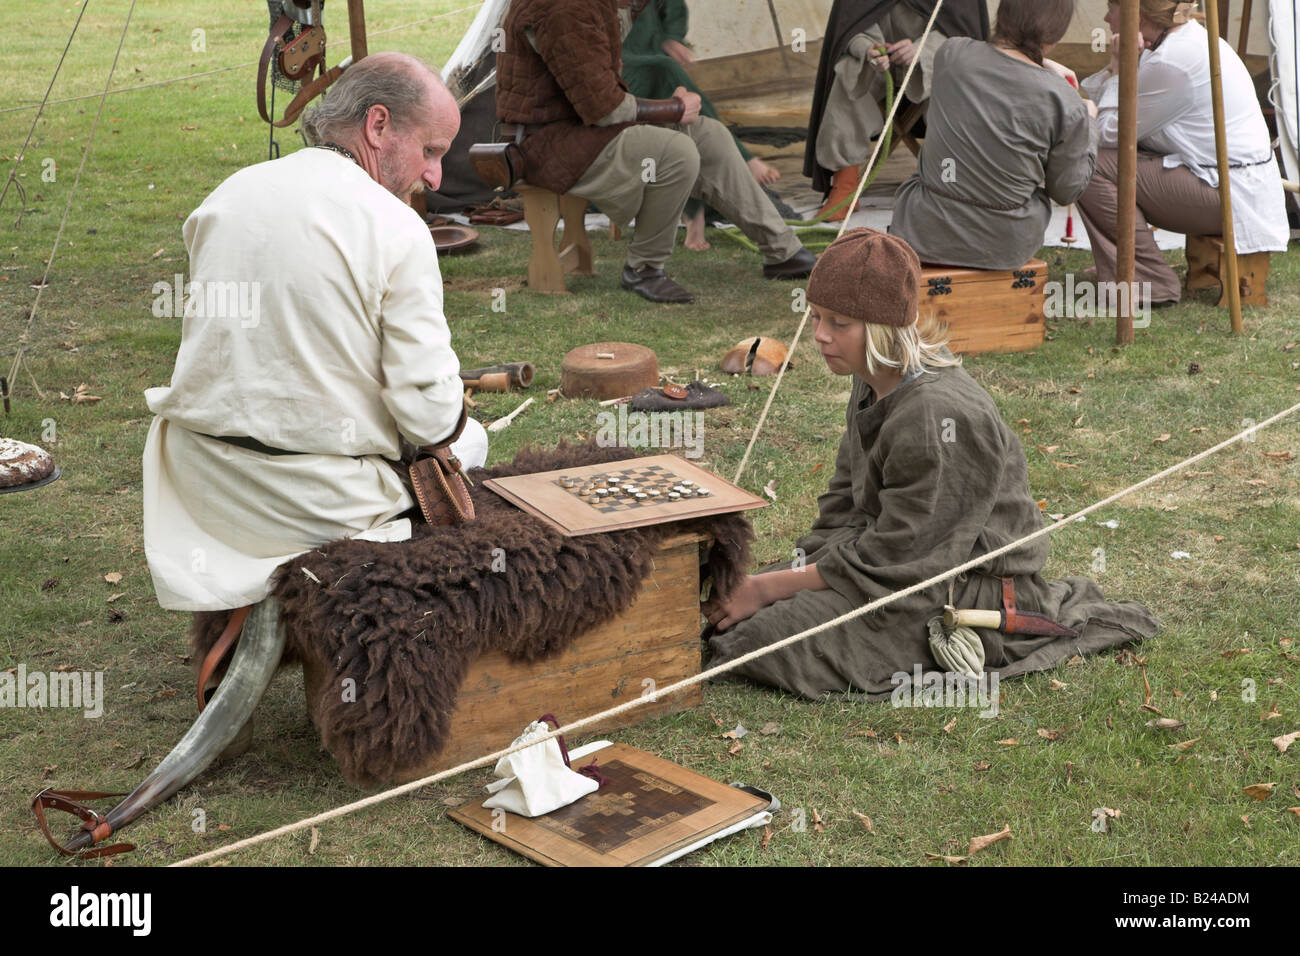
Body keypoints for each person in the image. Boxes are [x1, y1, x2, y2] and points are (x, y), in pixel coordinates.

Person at [705, 228, 1160, 699]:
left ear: (883, 326)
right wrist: (789, 574)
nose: (819, 336)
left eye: (839, 322)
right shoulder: (871, 378)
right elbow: (844, 501)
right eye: (817, 317)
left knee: (758, 640)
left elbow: (905, 560)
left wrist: (770, 590)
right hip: (890, 560)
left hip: (961, 585)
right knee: (737, 607)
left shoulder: (936, 413)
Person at [141, 52, 487, 612]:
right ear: (378, 126)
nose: (435, 177)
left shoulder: (226, 196)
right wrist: (447, 412)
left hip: (200, 486)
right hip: (311, 503)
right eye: (430, 150)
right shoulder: (396, 226)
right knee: (472, 440)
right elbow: (428, 417)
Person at [495, 0, 816, 305]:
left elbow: (597, 91)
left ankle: (783, 252)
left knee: (709, 135)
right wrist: (674, 108)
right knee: (675, 151)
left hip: (582, 131)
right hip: (546, 145)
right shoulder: (564, 7)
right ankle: (642, 268)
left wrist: (670, 110)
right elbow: (602, 108)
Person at [1076, 0, 1289, 305]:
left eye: (1114, 7)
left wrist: (1118, 68)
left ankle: (1150, 282)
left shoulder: (1173, 60)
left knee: (1088, 163)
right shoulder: (1179, 42)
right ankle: (1123, 266)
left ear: (1141, 13)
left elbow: (1110, 132)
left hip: (1229, 195)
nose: (1107, 17)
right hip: (1224, 181)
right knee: (1100, 159)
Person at [889, 0, 1097, 270]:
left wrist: (1040, 63)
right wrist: (1089, 123)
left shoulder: (950, 54)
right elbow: (1066, 191)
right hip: (1004, 244)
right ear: (1055, 34)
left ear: (1001, 14)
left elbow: (996, 60)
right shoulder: (1064, 100)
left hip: (923, 232)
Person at [805, 0, 990, 221]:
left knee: (956, 79)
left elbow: (966, 37)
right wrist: (867, 48)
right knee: (848, 74)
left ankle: (951, 184)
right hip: (878, 68)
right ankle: (845, 185)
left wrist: (922, 50)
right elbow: (848, 28)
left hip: (931, 65)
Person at [620, 0, 781, 251]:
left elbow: (672, 5)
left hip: (652, 61)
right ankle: (744, 158)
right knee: (667, 72)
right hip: (616, 72)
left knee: (681, 129)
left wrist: (670, 38)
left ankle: (695, 219)